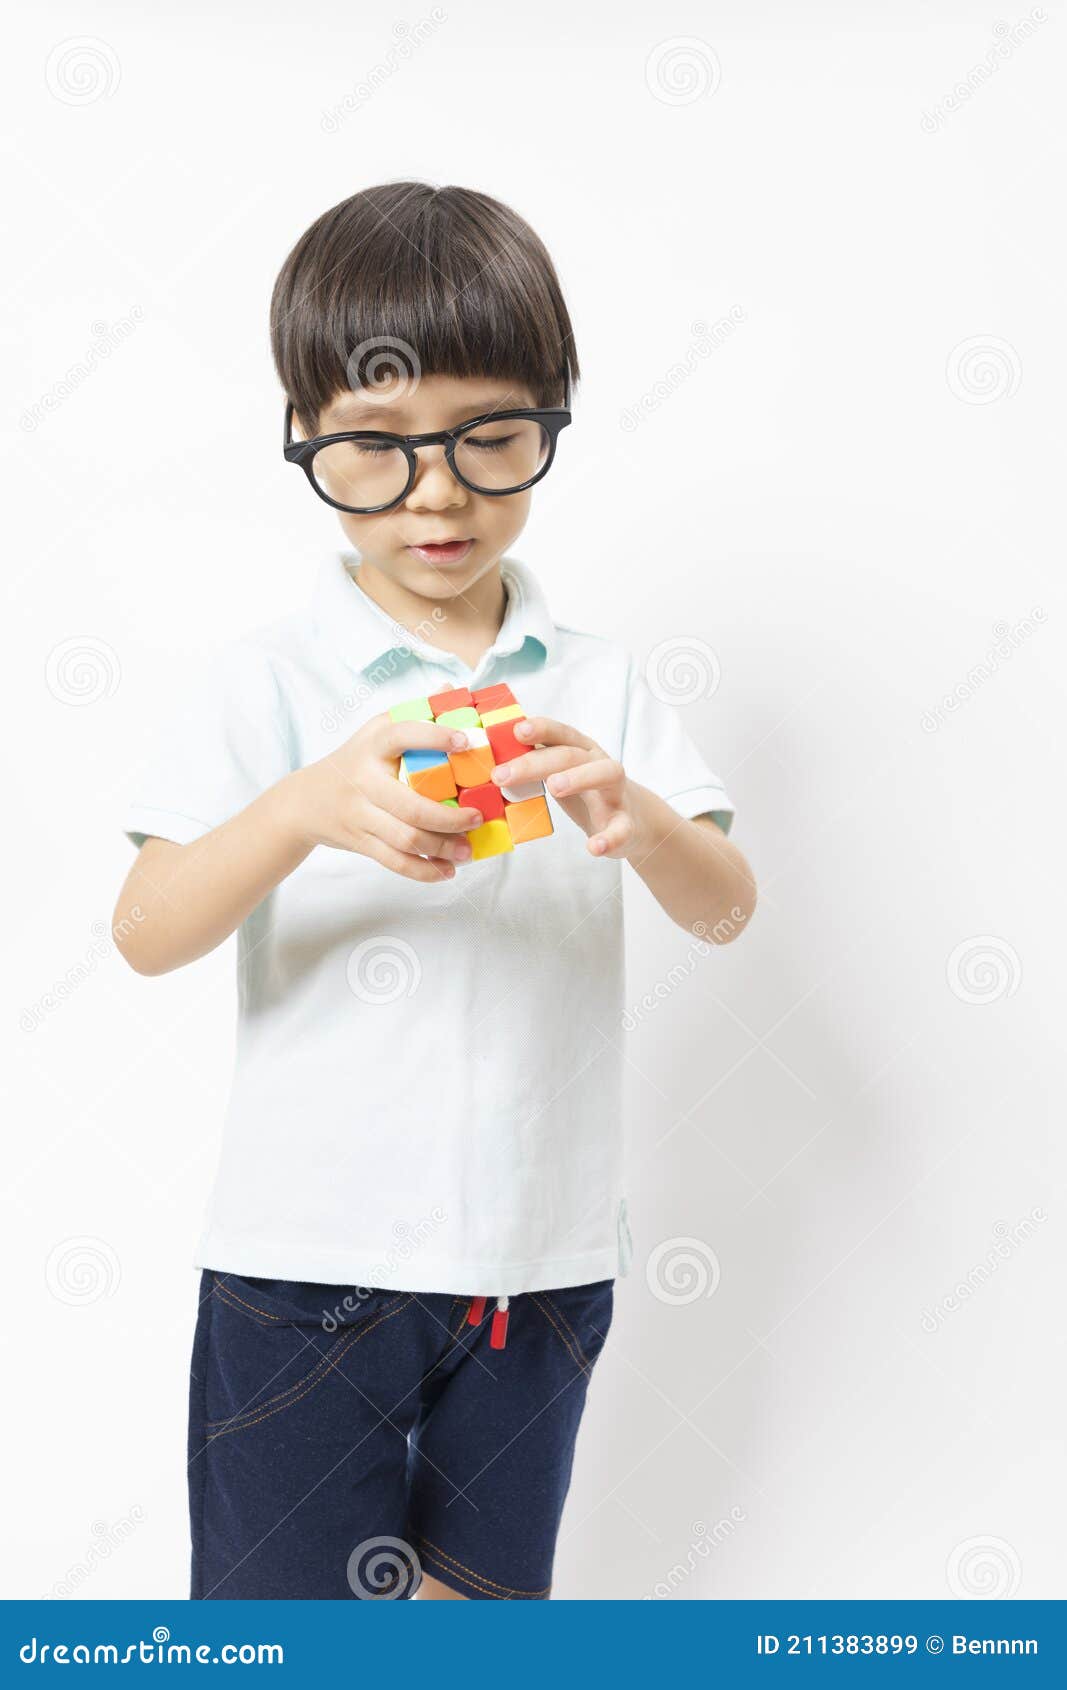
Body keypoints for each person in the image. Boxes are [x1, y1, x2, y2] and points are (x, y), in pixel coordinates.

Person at [112, 181, 757, 1601]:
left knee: (478, 1623)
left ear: (553, 417)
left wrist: (632, 813)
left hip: (538, 1270)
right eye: (380, 448)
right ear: (304, 435)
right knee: (286, 1631)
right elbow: (146, 927)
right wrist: (301, 807)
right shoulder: (272, 684)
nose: (440, 492)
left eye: (491, 437)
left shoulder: (598, 684)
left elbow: (725, 903)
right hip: (304, 1268)